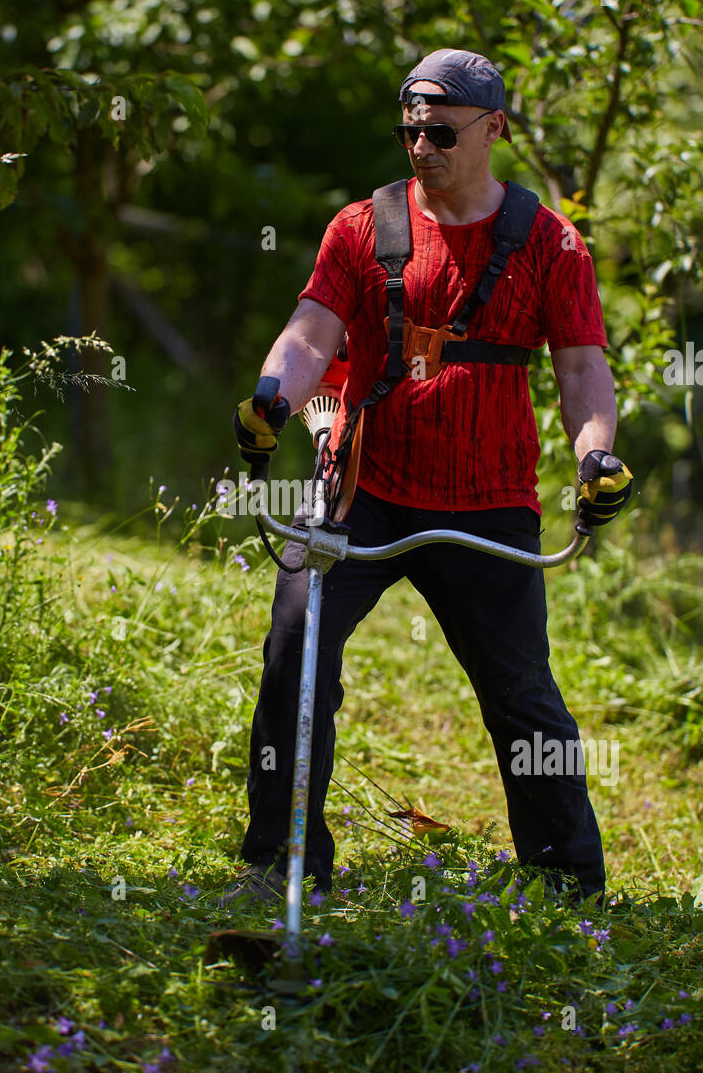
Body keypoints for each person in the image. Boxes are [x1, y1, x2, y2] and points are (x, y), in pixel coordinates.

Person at [223, 47, 633, 911]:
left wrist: (595, 452)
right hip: (358, 490)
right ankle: (282, 862)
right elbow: (310, 334)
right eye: (411, 127)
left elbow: (582, 374)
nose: (422, 144)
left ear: (494, 131)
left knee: (524, 698)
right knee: (296, 653)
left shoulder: (551, 242)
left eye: (442, 130)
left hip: (488, 502)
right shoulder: (361, 227)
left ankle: (568, 888)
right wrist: (272, 398)